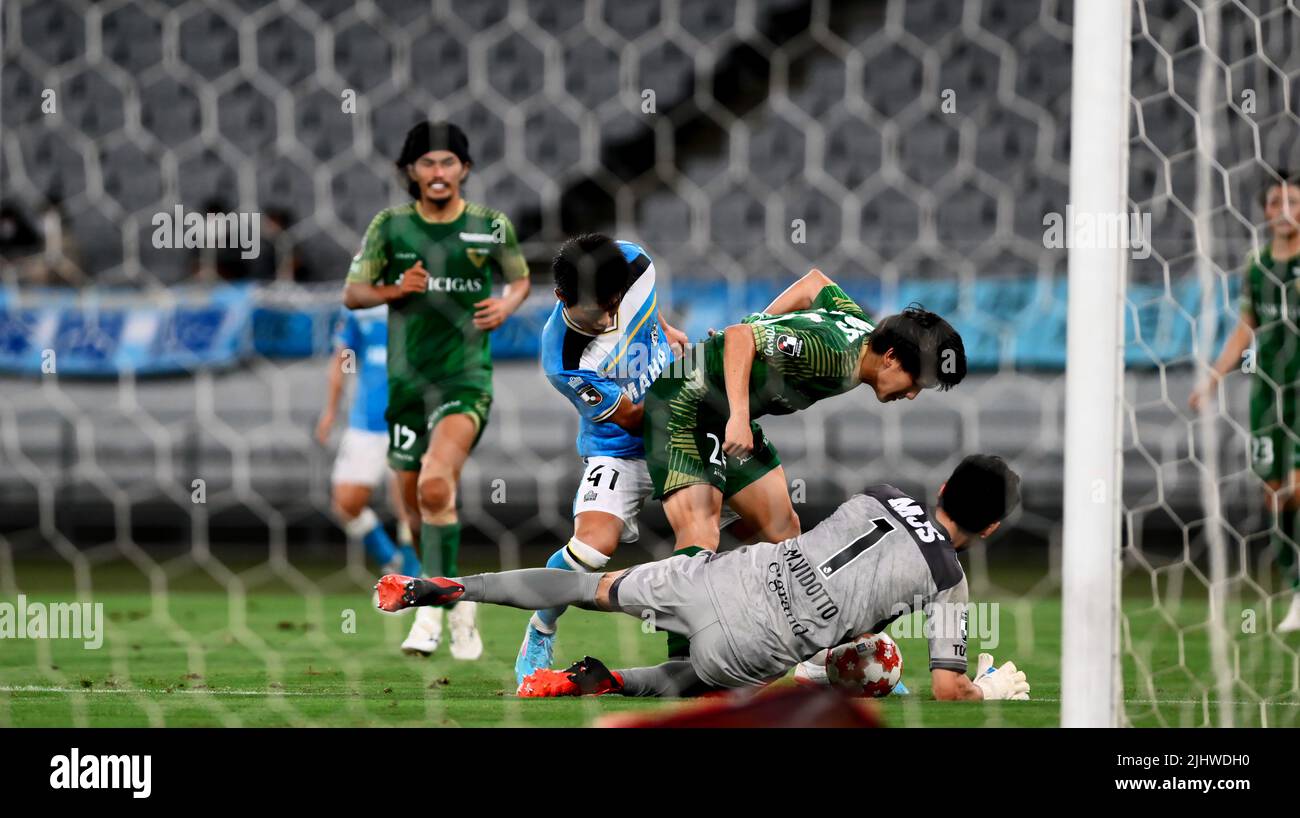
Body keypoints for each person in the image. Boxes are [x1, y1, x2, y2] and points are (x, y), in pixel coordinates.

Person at [376, 454, 1031, 702]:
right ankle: (605, 682)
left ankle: (454, 587)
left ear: (942, 483)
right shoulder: (949, 579)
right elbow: (948, 691)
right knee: (701, 677)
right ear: (993, 528)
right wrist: (991, 689)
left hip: (718, 577)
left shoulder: (880, 490)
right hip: (757, 644)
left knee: (589, 587)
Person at [343, 121, 531, 658]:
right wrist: (394, 289)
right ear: (411, 171)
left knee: (434, 485)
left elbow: (519, 279)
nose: (438, 172)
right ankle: (460, 600)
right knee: (413, 509)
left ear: (464, 169)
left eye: (448, 161)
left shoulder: (490, 226)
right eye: (427, 162)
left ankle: (427, 612)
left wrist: (508, 304)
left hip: (465, 380)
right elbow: (353, 294)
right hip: (406, 386)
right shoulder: (390, 228)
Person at [514, 233, 689, 683]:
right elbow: (630, 417)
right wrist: (697, 397)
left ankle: (820, 658)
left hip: (682, 436)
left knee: (771, 524)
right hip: (621, 449)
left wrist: (663, 328)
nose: (612, 318)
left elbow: (644, 304)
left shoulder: (635, 262)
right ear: (562, 297)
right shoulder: (563, 357)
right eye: (601, 310)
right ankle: (541, 627)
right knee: (590, 551)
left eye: (616, 304)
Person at [1190, 170, 1300, 632]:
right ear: (1265, 211)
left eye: (1293, 200)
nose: (1284, 209)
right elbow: (1245, 327)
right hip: (1267, 396)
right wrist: (1213, 377)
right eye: (1276, 202)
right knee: (1275, 496)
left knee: (1298, 487)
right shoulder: (1257, 265)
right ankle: (1297, 593)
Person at [315, 306, 420, 584]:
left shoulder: (423, 297)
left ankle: (408, 582)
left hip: (411, 416)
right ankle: (391, 559)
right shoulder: (358, 304)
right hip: (366, 421)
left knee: (408, 501)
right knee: (346, 504)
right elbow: (341, 358)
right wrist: (330, 412)